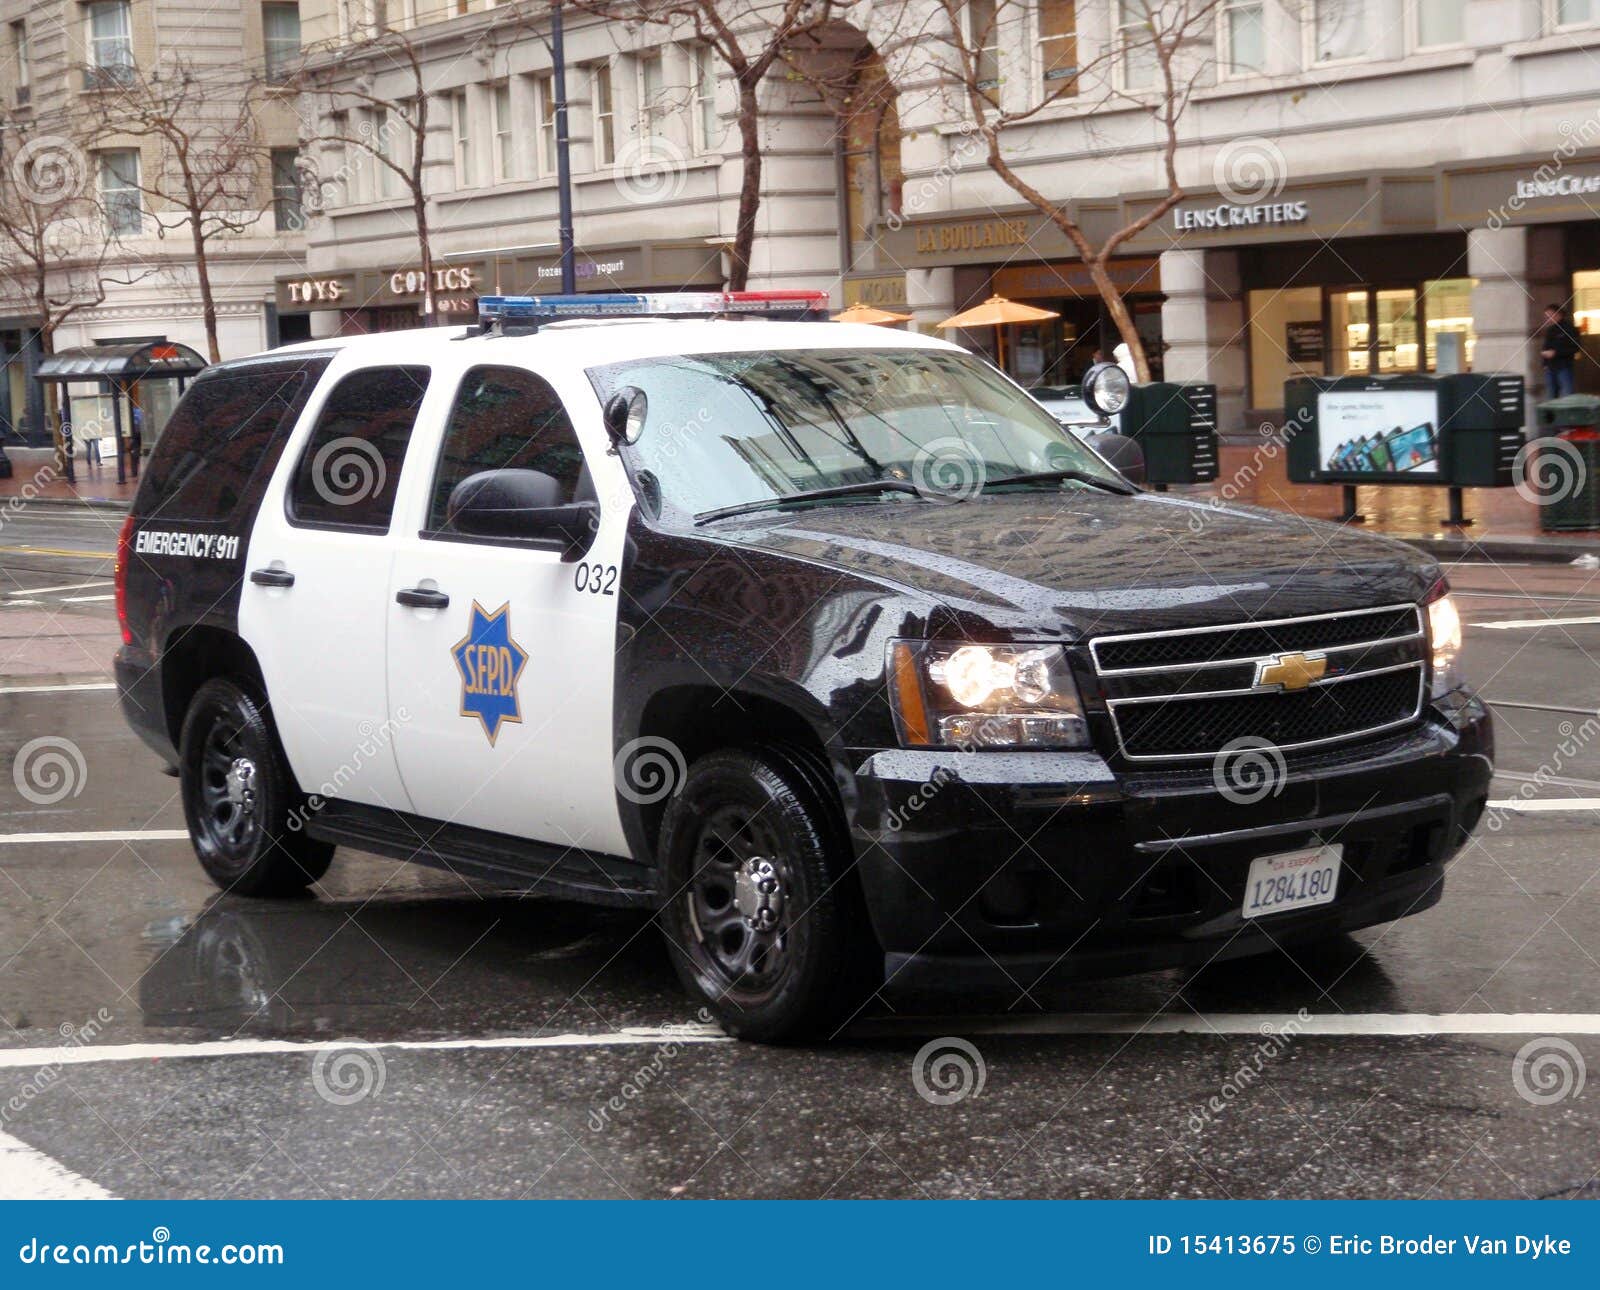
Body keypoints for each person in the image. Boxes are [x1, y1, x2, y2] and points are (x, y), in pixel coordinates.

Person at [1539, 303, 1583, 399]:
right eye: (1546, 316)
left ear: (1558, 314)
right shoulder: (1550, 330)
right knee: (1551, 394)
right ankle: (1552, 414)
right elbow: (1545, 347)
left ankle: (1567, 413)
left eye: (1550, 315)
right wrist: (1545, 363)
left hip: (1564, 366)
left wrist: (1556, 353)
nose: (1548, 318)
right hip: (1550, 367)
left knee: (1567, 393)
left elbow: (1575, 348)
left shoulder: (1570, 329)